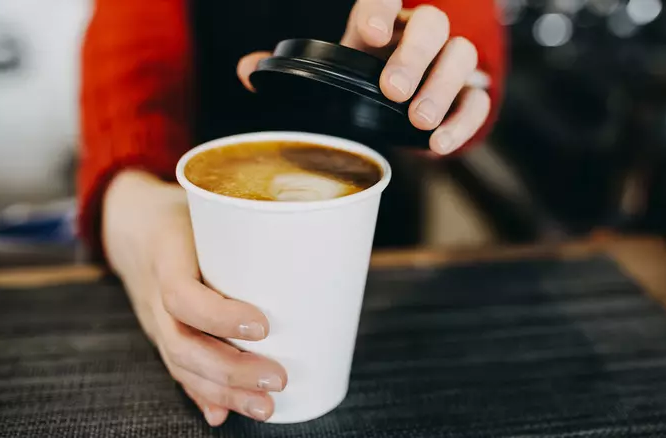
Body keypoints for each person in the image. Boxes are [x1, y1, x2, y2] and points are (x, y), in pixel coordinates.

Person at [78, 0, 506, 426]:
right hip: (194, 205)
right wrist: (132, 197)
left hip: (382, 249)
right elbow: (133, 50)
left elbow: (462, 39)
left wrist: (443, 73)